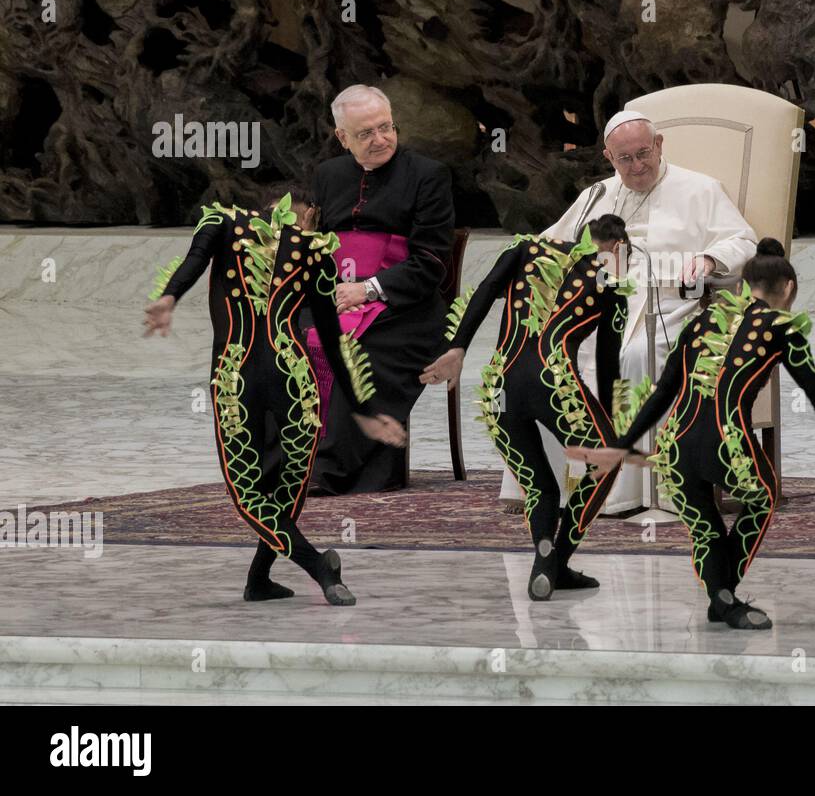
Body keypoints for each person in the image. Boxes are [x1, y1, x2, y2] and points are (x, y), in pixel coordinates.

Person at [569, 239, 815, 629]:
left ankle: (721, 597)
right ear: (788, 288)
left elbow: (662, 393)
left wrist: (621, 446)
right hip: (728, 444)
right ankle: (724, 597)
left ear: (745, 285)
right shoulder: (782, 327)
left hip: (674, 446)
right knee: (763, 497)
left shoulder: (703, 321)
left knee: (706, 526)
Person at [143, 190, 407, 605]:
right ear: (310, 215)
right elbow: (334, 341)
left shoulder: (224, 223)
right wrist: (361, 409)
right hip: (294, 382)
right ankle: (261, 578)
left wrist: (168, 298)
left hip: (236, 378)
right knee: (287, 487)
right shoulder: (312, 249)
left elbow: (194, 260)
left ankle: (317, 566)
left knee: (246, 492)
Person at [501, 109, 758, 515]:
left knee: (634, 354)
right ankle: (555, 484)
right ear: (608, 157)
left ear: (659, 145)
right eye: (625, 159)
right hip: (595, 306)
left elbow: (743, 241)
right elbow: (551, 243)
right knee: (543, 355)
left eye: (644, 153)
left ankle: (636, 491)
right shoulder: (597, 196)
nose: (637, 166)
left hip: (670, 303)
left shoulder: (701, 190)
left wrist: (709, 259)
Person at [421, 215, 634, 599]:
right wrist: (617, 421)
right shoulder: (610, 279)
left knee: (539, 485)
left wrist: (457, 347)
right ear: (618, 249)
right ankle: (557, 560)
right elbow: (608, 361)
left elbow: (485, 289)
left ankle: (544, 554)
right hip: (554, 382)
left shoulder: (525, 247)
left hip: (498, 386)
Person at [308, 84, 455, 495]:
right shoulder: (328, 175)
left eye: (386, 127)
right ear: (342, 138)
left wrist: (369, 289)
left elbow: (432, 262)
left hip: (407, 306)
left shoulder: (428, 175)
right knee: (285, 339)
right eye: (366, 133)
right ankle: (287, 459)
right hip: (336, 298)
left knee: (360, 352)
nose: (381, 139)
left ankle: (327, 469)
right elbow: (317, 247)